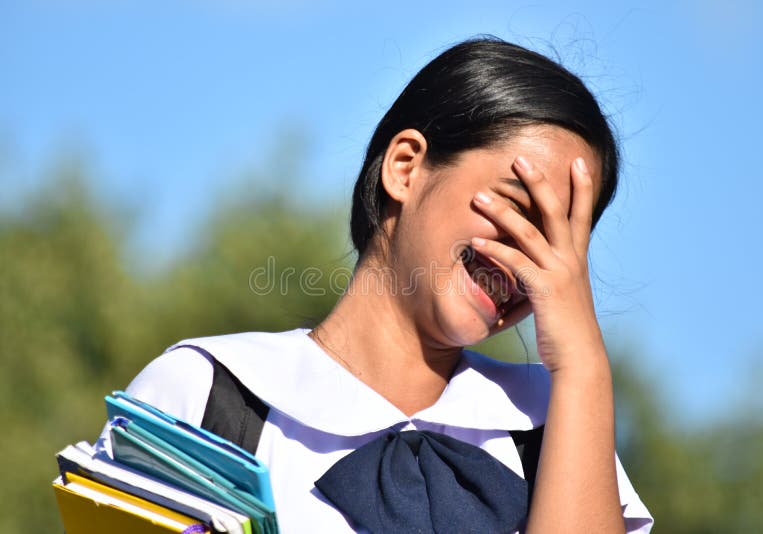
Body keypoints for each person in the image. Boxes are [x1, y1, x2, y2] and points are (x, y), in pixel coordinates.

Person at [96, 37, 654, 533]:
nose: (526, 260)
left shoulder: (553, 428)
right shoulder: (208, 398)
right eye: (516, 210)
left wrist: (583, 367)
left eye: (559, 240)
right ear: (405, 167)